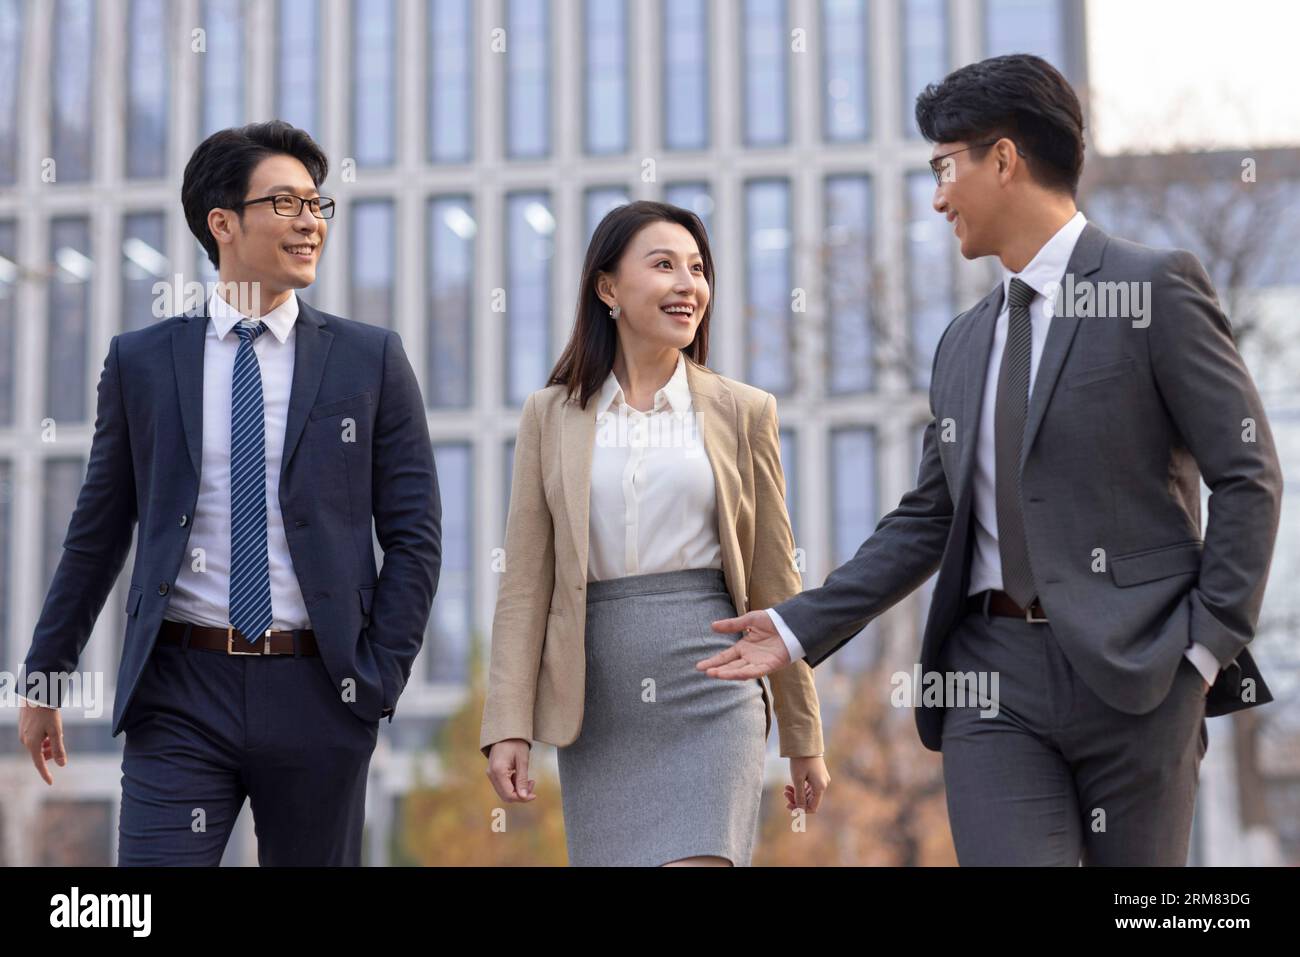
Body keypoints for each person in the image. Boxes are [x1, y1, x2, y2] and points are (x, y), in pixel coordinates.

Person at [701, 55, 1281, 865]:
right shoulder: (963, 342)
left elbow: (1248, 472)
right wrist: (799, 625)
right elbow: (929, 519)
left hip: (1143, 672)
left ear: (1004, 159)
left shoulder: (1155, 288)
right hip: (989, 680)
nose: (937, 196)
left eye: (946, 167)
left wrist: (1203, 647)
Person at [17, 120, 442, 866]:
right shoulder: (143, 362)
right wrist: (47, 672)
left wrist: (379, 676)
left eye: (318, 205)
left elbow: (416, 533)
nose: (310, 222)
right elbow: (98, 530)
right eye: (285, 203)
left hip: (322, 688)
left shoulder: (370, 360)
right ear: (223, 223)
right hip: (180, 687)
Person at [480, 201, 827, 866]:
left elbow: (775, 580)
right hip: (598, 702)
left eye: (697, 269)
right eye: (664, 264)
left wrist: (802, 733)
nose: (687, 284)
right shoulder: (550, 415)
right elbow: (525, 584)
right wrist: (507, 724)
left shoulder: (743, 411)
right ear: (607, 288)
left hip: (713, 687)